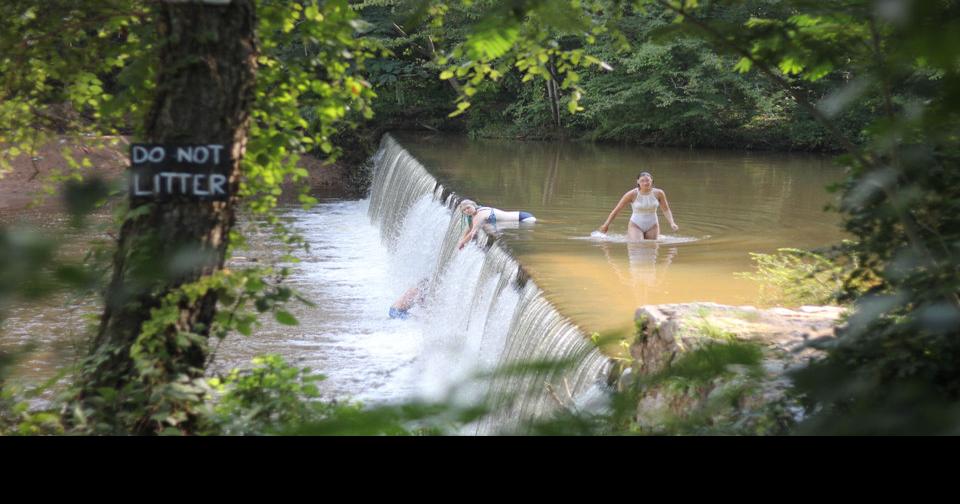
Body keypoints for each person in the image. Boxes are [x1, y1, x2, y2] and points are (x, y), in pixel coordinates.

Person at [598, 171, 678, 240]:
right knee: (638, 246)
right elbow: (617, 210)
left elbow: (666, 209)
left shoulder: (659, 193)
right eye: (642, 181)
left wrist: (672, 223)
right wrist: (606, 225)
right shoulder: (632, 194)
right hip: (636, 224)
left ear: (651, 181)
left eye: (647, 180)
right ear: (638, 182)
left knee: (652, 249)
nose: (645, 183)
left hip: (653, 225)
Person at [456, 199, 536, 250]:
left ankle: (489, 246)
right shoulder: (474, 214)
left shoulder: (479, 215)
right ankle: (489, 246)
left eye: (468, 207)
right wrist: (462, 239)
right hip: (521, 218)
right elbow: (470, 228)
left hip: (524, 219)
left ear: (473, 205)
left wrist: (462, 243)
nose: (467, 210)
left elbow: (472, 232)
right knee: (490, 228)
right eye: (464, 210)